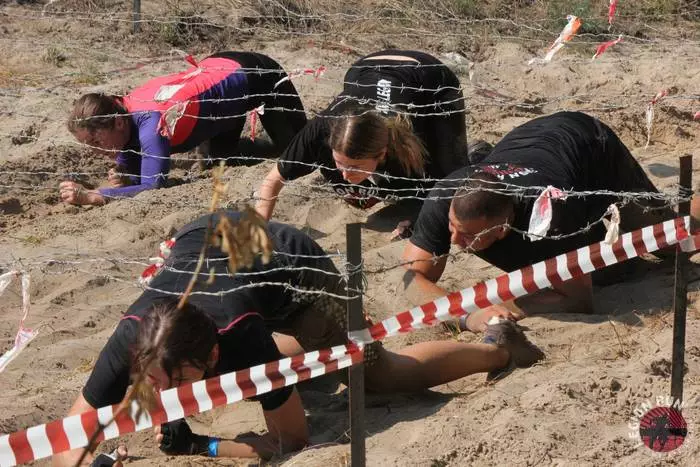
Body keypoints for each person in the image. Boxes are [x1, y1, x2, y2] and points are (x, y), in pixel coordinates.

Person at [52, 210, 543, 465]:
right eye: (154, 383)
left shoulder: (243, 339)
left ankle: (498, 349)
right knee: (284, 369)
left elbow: (290, 440)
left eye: (175, 384)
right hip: (217, 239)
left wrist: (206, 447)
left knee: (374, 375)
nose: (159, 396)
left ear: (216, 354)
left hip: (293, 269)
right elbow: (71, 436)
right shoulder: (133, 340)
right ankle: (309, 358)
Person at [401, 111, 678, 332]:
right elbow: (411, 278)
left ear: (502, 228)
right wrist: (467, 315)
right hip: (530, 143)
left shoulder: (551, 216)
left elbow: (579, 300)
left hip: (589, 147)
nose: (454, 241)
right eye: (452, 227)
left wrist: (494, 304)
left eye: (468, 236)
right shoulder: (447, 197)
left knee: (670, 243)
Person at [60, 52, 307, 206]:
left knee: (298, 153)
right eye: (88, 145)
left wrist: (93, 195)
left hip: (257, 73)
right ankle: (254, 142)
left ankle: (277, 143)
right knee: (217, 165)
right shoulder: (120, 119)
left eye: (95, 141)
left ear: (119, 122)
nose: (95, 150)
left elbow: (151, 188)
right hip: (219, 89)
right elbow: (136, 179)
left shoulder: (150, 124)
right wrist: (125, 178)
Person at [255, 49, 469, 220]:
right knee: (359, 195)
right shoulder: (319, 130)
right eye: (341, 163)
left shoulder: (406, 136)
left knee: (453, 181)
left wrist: (416, 218)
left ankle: (478, 155)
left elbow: (439, 195)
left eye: (354, 166)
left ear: (382, 152)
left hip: (430, 79)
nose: (346, 174)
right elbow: (273, 180)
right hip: (366, 68)